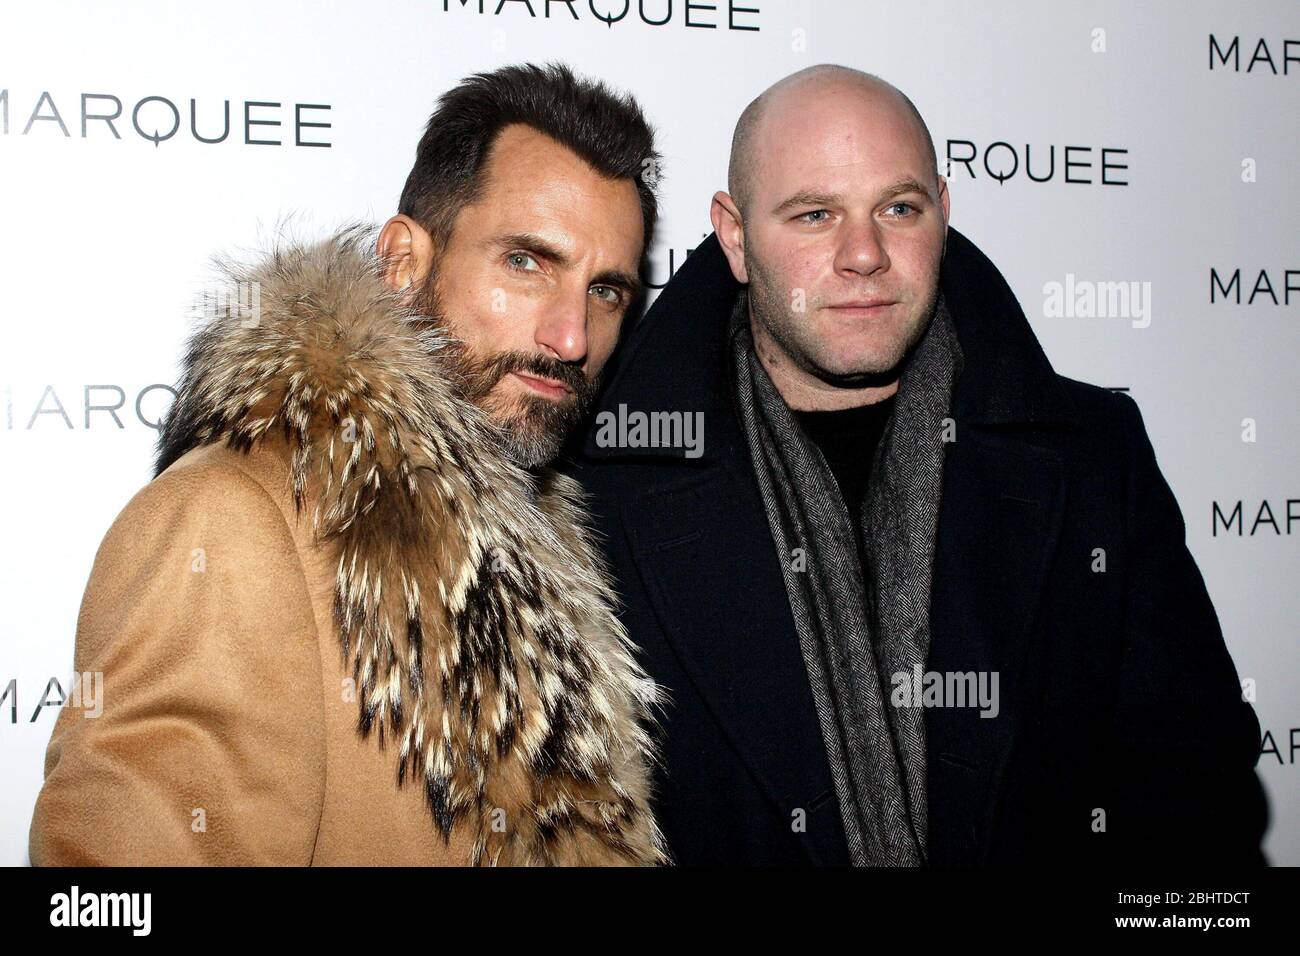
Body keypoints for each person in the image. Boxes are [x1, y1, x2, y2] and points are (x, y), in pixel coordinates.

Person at [564, 64, 1268, 866]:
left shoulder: (1092, 456)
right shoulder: (599, 494)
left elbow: (1191, 784)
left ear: (942, 210)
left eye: (899, 208)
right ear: (735, 236)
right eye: (815, 214)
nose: (863, 254)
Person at [30, 62, 668, 866]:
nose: (571, 336)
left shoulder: (538, 534)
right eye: (526, 263)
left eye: (606, 292)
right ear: (402, 261)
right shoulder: (229, 522)